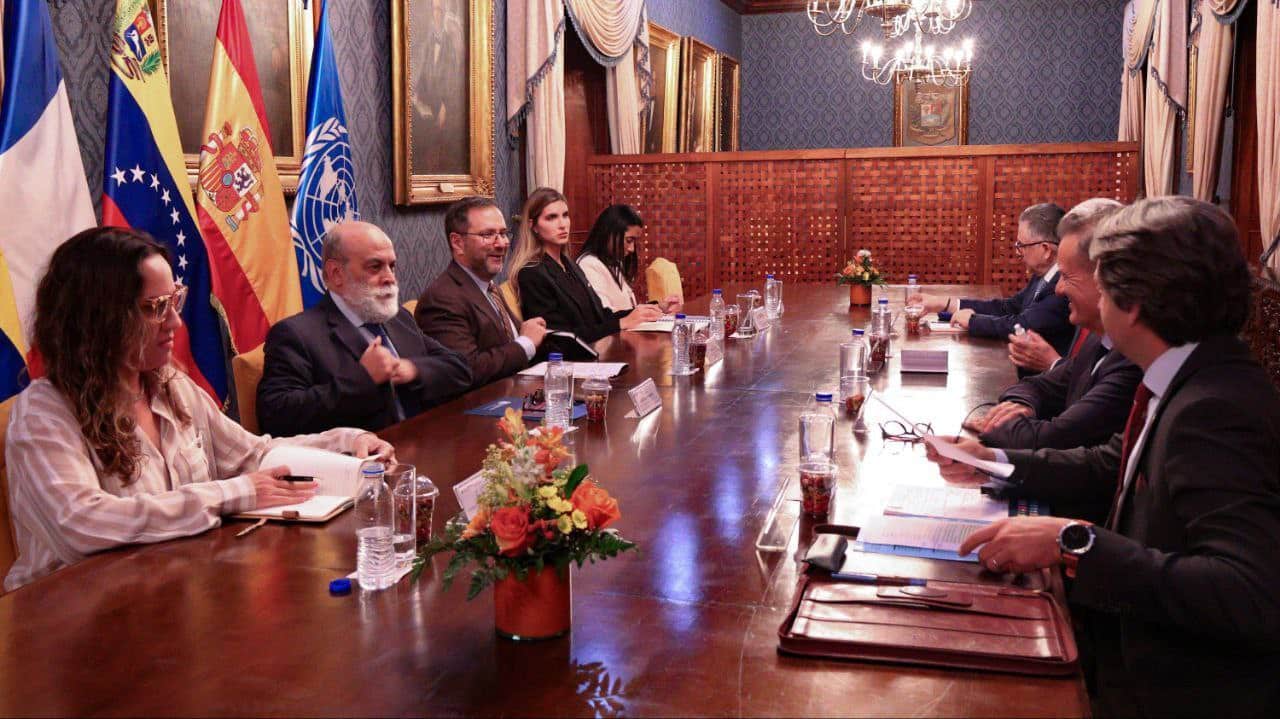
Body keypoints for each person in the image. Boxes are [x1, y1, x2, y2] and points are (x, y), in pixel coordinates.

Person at [927, 197, 1280, 717]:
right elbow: (1108, 463)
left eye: (1097, 277)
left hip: (1161, 687)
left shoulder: (1217, 408)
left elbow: (1251, 592)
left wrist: (1074, 543)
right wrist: (991, 458)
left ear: (1132, 302)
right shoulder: (1185, 374)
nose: (1067, 288)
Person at [3, 227, 394, 591]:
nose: (174, 321)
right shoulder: (44, 413)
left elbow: (252, 454)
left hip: (170, 589)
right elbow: (82, 524)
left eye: (175, 300)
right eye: (155, 308)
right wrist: (230, 494)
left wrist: (348, 440)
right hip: (69, 618)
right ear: (98, 319)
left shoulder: (169, 384)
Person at [257, 221, 471, 435]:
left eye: (392, 266)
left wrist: (410, 369)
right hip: (361, 460)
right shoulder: (296, 334)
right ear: (335, 274)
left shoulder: (398, 318)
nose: (389, 277)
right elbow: (277, 416)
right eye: (375, 267)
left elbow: (460, 369)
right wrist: (364, 379)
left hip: (425, 442)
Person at [975, 198, 1142, 450]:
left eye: (1066, 276)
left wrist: (997, 424)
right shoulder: (1099, 339)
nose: (1060, 289)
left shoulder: (1132, 358)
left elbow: (1056, 438)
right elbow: (1034, 384)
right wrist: (1021, 404)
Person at [910, 203, 1073, 373]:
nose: (1019, 253)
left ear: (1046, 250)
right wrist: (946, 303)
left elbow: (1022, 325)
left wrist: (973, 321)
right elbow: (1007, 307)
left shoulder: (1061, 287)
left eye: (1021, 246)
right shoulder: (1043, 276)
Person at [507, 188, 662, 359]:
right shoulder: (532, 272)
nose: (562, 224)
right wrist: (621, 323)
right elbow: (559, 337)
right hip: (564, 366)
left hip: (592, 355)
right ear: (533, 226)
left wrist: (644, 311)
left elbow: (600, 316)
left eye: (565, 215)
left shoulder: (570, 265)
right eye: (551, 217)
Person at [415, 197, 547, 389]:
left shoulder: (488, 287)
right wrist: (525, 342)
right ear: (457, 242)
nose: (501, 244)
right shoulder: (442, 299)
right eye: (488, 235)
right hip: (474, 411)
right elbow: (467, 370)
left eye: (503, 233)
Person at [577, 204, 682, 314]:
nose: (632, 249)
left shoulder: (614, 263)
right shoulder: (589, 265)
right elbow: (606, 316)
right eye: (629, 240)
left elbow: (626, 311)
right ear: (610, 234)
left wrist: (659, 307)